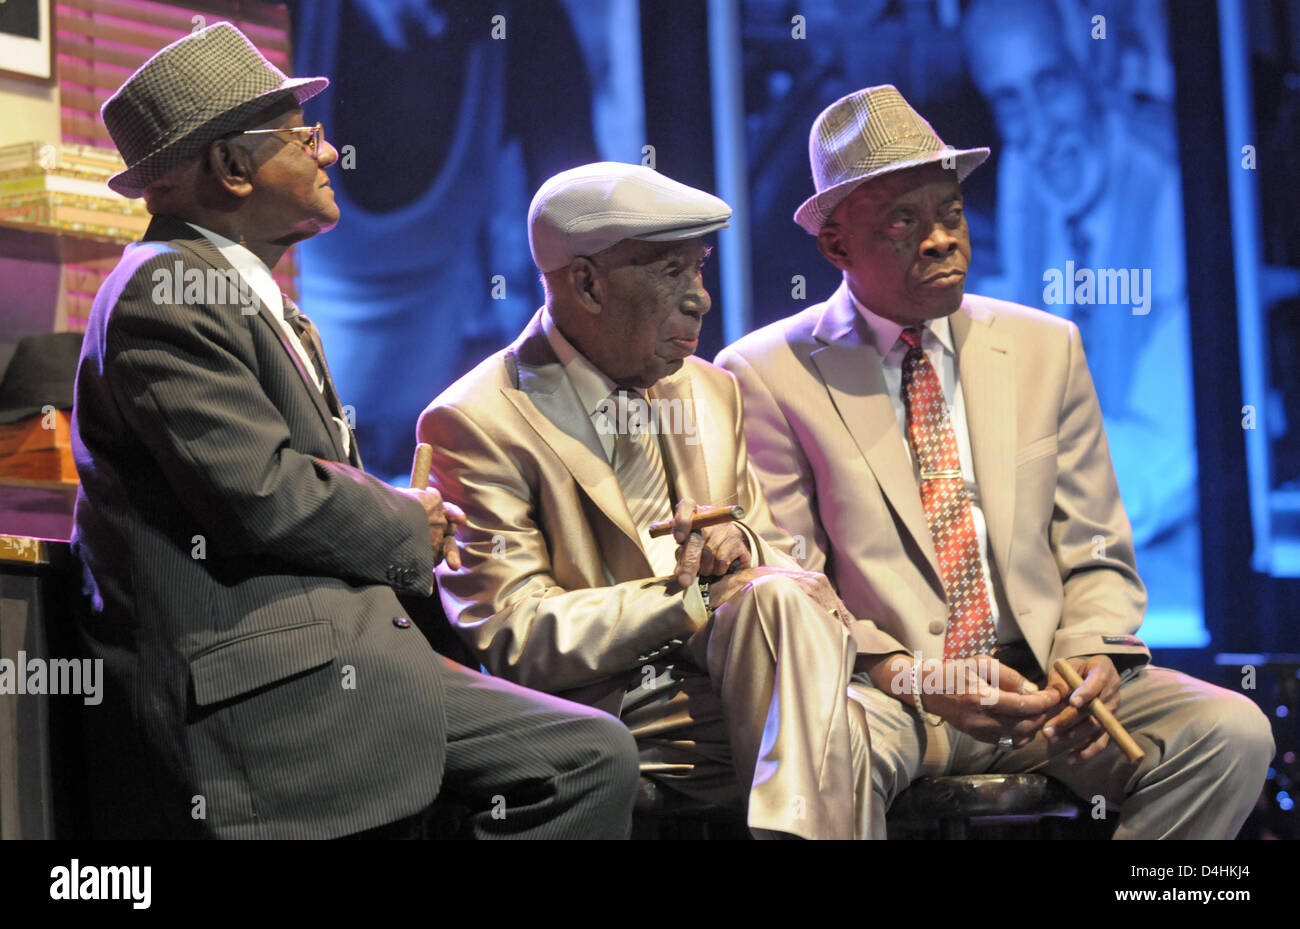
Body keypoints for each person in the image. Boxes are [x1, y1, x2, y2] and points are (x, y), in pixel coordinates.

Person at [71, 22, 637, 839]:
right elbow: (262, 492)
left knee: (594, 747)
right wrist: (411, 517)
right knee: (588, 757)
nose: (329, 153)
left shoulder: (232, 290)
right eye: (303, 137)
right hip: (274, 691)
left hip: (344, 659)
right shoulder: (167, 294)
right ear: (232, 167)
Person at [715, 85, 1274, 838]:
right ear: (836, 245)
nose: (942, 238)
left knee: (1230, 732)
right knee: (821, 754)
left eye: (950, 212)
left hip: (1045, 684)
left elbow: (1098, 546)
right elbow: (793, 584)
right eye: (902, 222)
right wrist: (910, 675)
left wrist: (1090, 651)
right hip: (892, 692)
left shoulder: (1045, 346)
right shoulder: (765, 372)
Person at [419, 162, 874, 839]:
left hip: (739, 676)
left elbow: (774, 556)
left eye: (701, 269)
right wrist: (687, 599)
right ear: (587, 283)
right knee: (844, 723)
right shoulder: (477, 420)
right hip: (605, 704)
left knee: (799, 632)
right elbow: (512, 632)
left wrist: (738, 548)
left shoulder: (711, 391)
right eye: (670, 272)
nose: (700, 300)